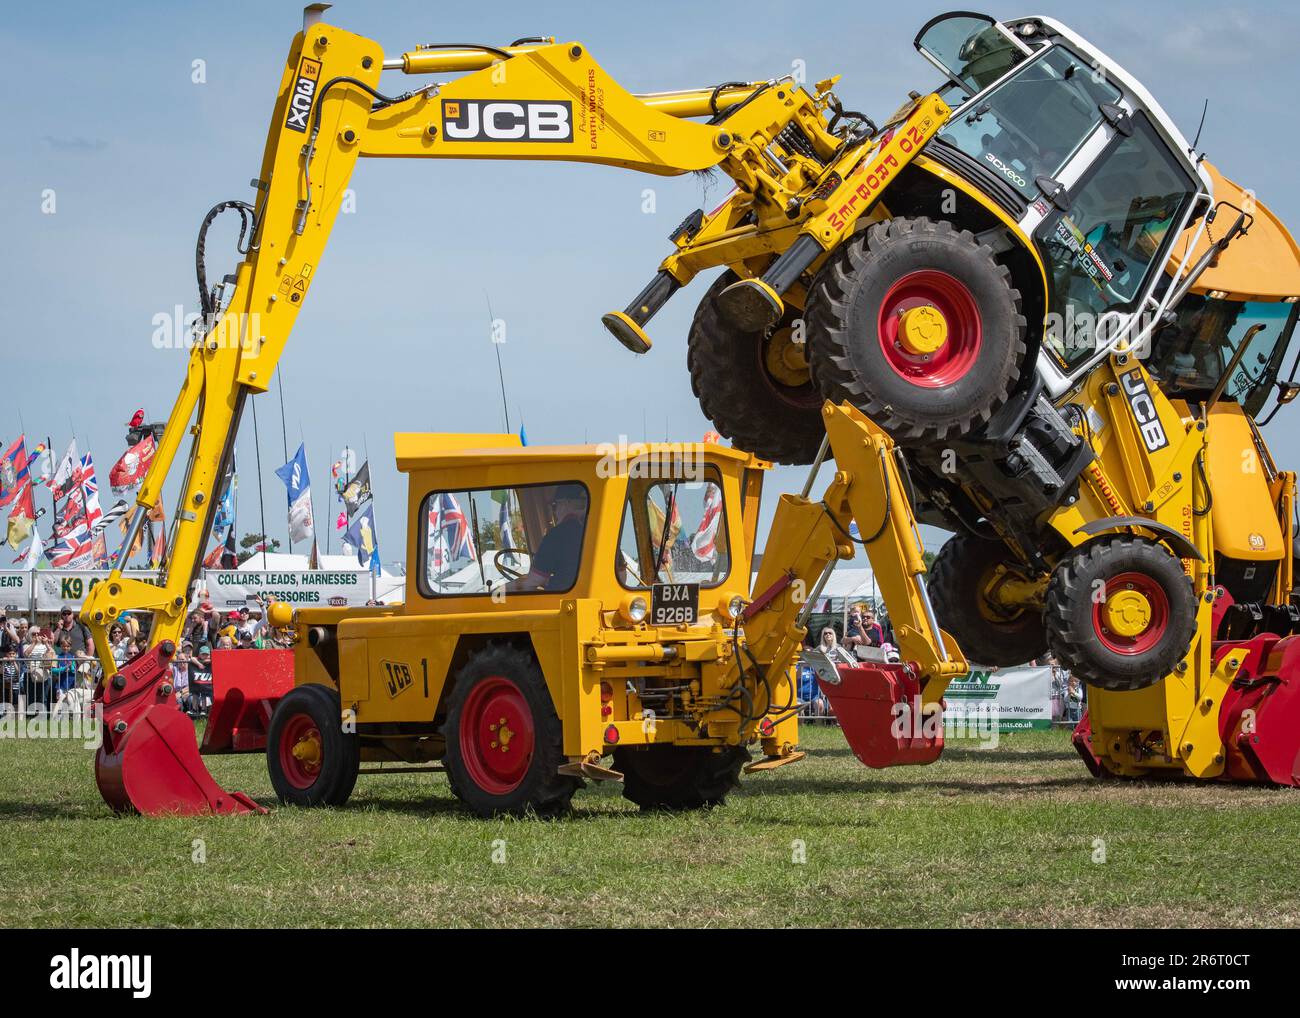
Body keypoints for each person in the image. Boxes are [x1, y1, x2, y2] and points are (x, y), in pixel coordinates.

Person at [506, 485, 586, 592]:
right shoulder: (593, 529)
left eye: (555, 506)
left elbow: (534, 581)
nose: (555, 512)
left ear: (565, 503)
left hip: (561, 600)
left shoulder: (557, 534)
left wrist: (499, 590)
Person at [188, 645, 214, 718]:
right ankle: (194, 709)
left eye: (206, 654)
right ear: (199, 654)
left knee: (204, 695)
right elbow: (192, 658)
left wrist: (207, 661)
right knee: (195, 694)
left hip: (206, 684)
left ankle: (203, 710)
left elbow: (214, 659)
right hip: (197, 682)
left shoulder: (211, 659)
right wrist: (199, 664)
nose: (205, 656)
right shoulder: (196, 659)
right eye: (203, 654)